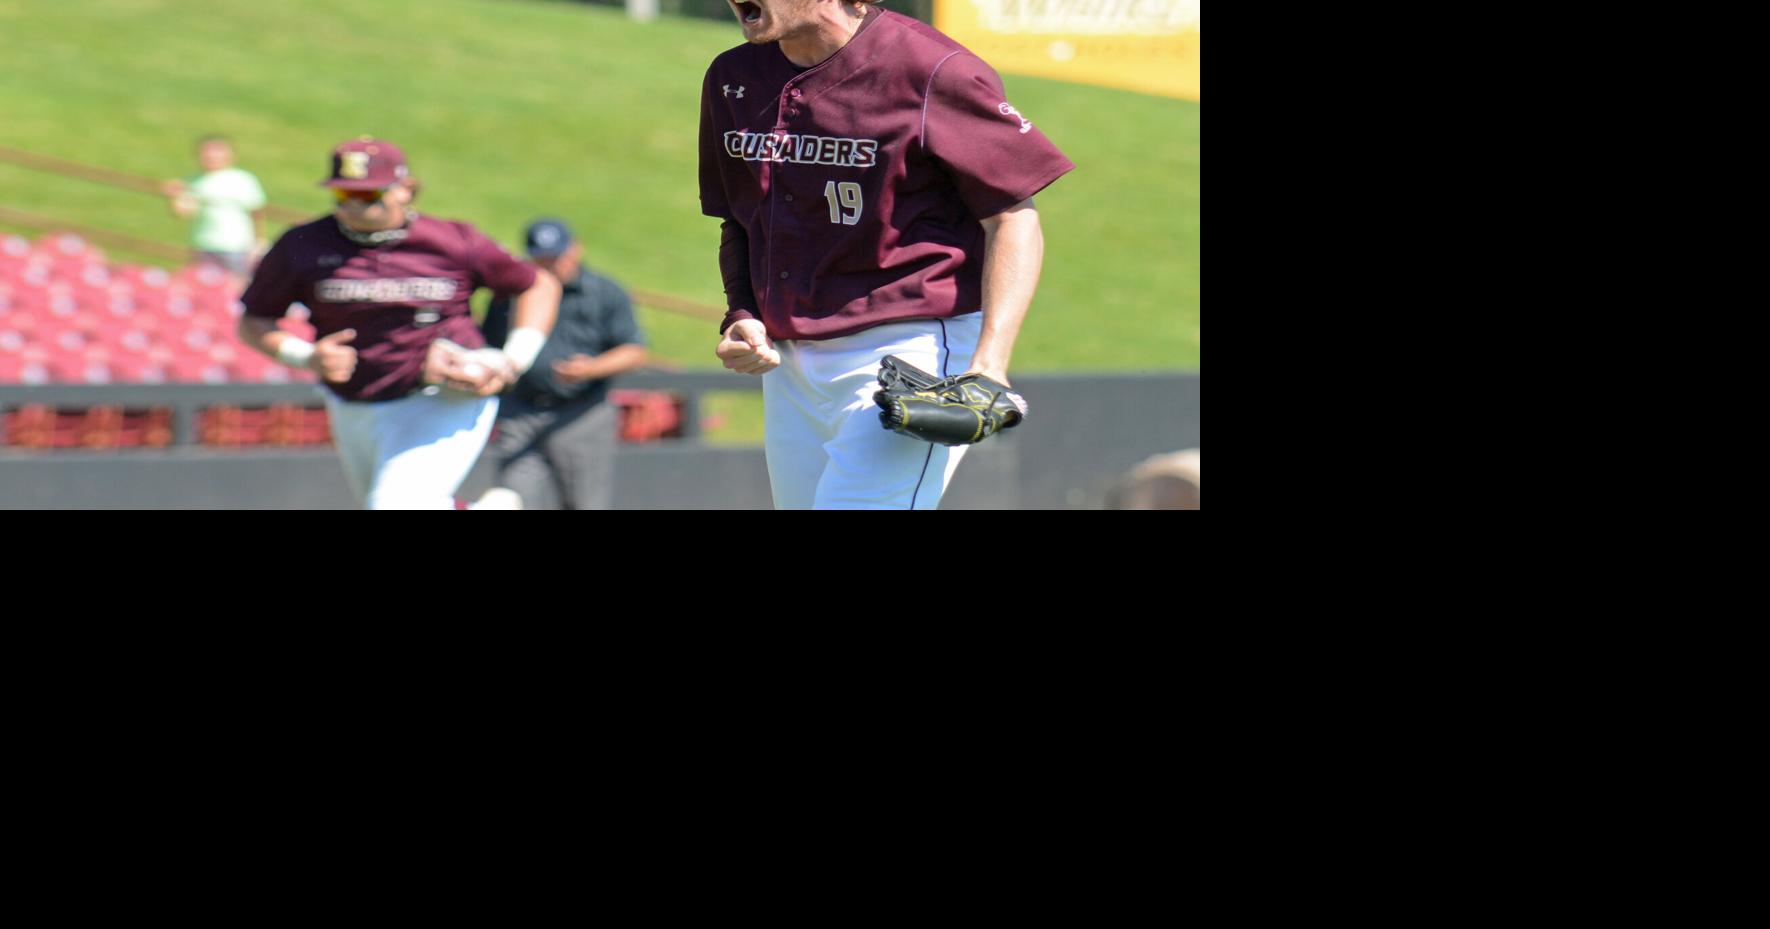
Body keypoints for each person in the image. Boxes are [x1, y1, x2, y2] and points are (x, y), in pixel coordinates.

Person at [700, 0, 1073, 509]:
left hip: (908, 351)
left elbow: (1013, 218)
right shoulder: (733, 77)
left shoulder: (932, 69)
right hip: (787, 362)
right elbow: (742, 219)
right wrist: (742, 312)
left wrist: (989, 365)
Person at [235, 137, 560, 510]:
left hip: (443, 396)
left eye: (368, 194)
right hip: (354, 400)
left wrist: (514, 359)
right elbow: (254, 320)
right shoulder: (303, 244)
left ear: (405, 188)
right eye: (343, 194)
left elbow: (539, 285)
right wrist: (305, 356)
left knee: (393, 504)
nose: (354, 205)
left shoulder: (452, 241)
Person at [477, 219, 649, 510]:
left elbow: (634, 351)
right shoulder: (510, 295)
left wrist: (591, 368)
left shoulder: (603, 292)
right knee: (512, 499)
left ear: (575, 249)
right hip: (520, 409)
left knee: (584, 502)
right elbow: (488, 343)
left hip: (581, 412)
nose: (550, 265)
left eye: (556, 257)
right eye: (542, 259)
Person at [161, 136, 268, 283]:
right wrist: (175, 196)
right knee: (204, 284)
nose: (211, 159)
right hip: (203, 244)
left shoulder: (243, 180)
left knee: (237, 284)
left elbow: (256, 212)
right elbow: (183, 211)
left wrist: (258, 241)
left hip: (236, 245)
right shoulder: (193, 181)